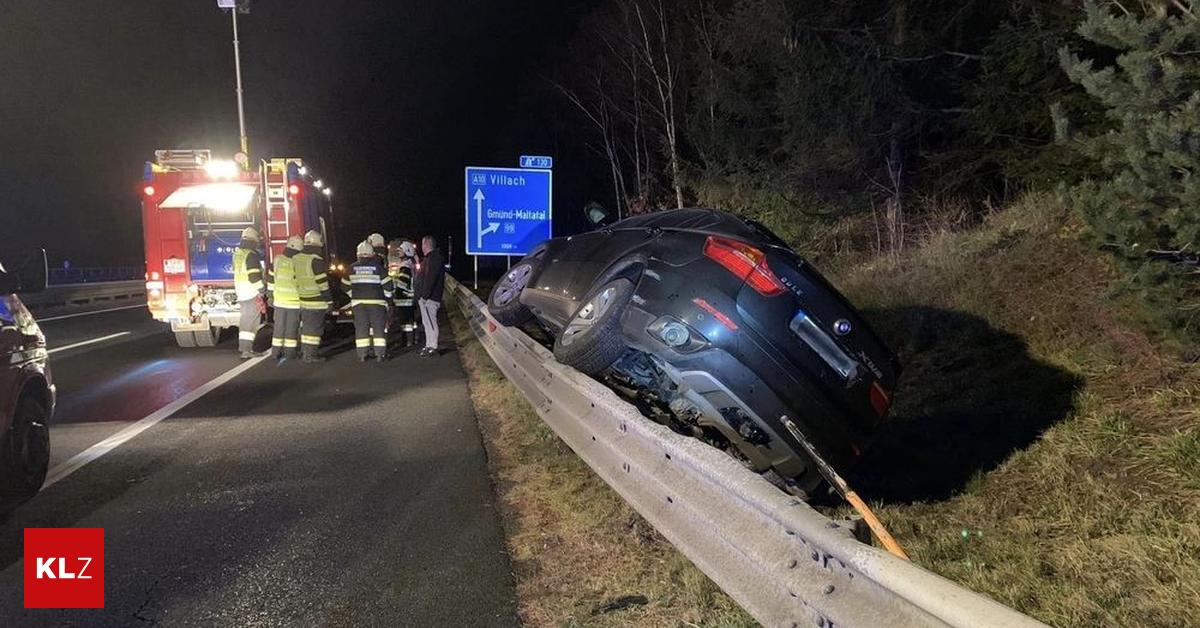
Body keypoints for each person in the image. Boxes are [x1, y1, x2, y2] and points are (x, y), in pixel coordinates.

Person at [343, 240, 394, 362]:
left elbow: (344, 286)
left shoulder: (351, 268)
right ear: (372, 254)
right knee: (378, 328)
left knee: (361, 328)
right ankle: (380, 355)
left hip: (358, 304)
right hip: (377, 303)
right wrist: (388, 299)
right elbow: (388, 286)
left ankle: (362, 355)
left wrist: (353, 295)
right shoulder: (378, 268)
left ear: (358, 254)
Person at [295, 230, 332, 363]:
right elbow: (322, 283)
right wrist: (329, 301)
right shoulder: (316, 260)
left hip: (302, 299)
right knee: (314, 330)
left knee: (306, 327)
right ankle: (310, 356)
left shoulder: (297, 258)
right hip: (316, 300)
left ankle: (304, 351)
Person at [267, 235, 304, 363]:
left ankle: (275, 352)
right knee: (291, 328)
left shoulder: (277, 260)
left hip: (279, 301)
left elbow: (271, 280)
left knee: (279, 327)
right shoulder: (299, 262)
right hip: (294, 302)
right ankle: (290, 353)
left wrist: (270, 296)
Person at [233, 227, 268, 358]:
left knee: (245, 320)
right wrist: (262, 289)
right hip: (251, 292)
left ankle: (245, 349)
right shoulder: (251, 255)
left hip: (241, 292)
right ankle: (247, 350)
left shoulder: (238, 253)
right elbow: (254, 276)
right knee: (251, 322)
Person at [414, 235, 446, 357]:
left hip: (430, 298)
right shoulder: (429, 259)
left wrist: (425, 296)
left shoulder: (434, 259)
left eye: (422, 244)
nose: (421, 247)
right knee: (427, 322)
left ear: (427, 244)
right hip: (427, 298)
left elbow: (430, 278)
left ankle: (433, 346)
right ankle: (429, 345)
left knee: (431, 322)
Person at [388, 238, 418, 347]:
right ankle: (412, 339)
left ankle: (406, 341)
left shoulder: (405, 266)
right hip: (409, 298)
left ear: (407, 251)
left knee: (405, 323)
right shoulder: (410, 264)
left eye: (400, 250)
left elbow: (402, 284)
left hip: (404, 299)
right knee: (410, 321)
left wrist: (394, 291)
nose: (398, 252)